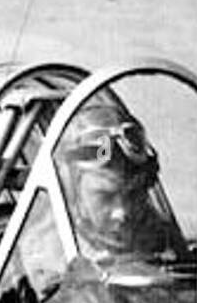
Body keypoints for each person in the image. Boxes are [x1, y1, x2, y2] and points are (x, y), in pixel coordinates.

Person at [56, 103, 187, 261]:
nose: (122, 212)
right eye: (105, 197)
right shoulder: (49, 255)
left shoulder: (162, 238)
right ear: (72, 192)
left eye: (133, 195)